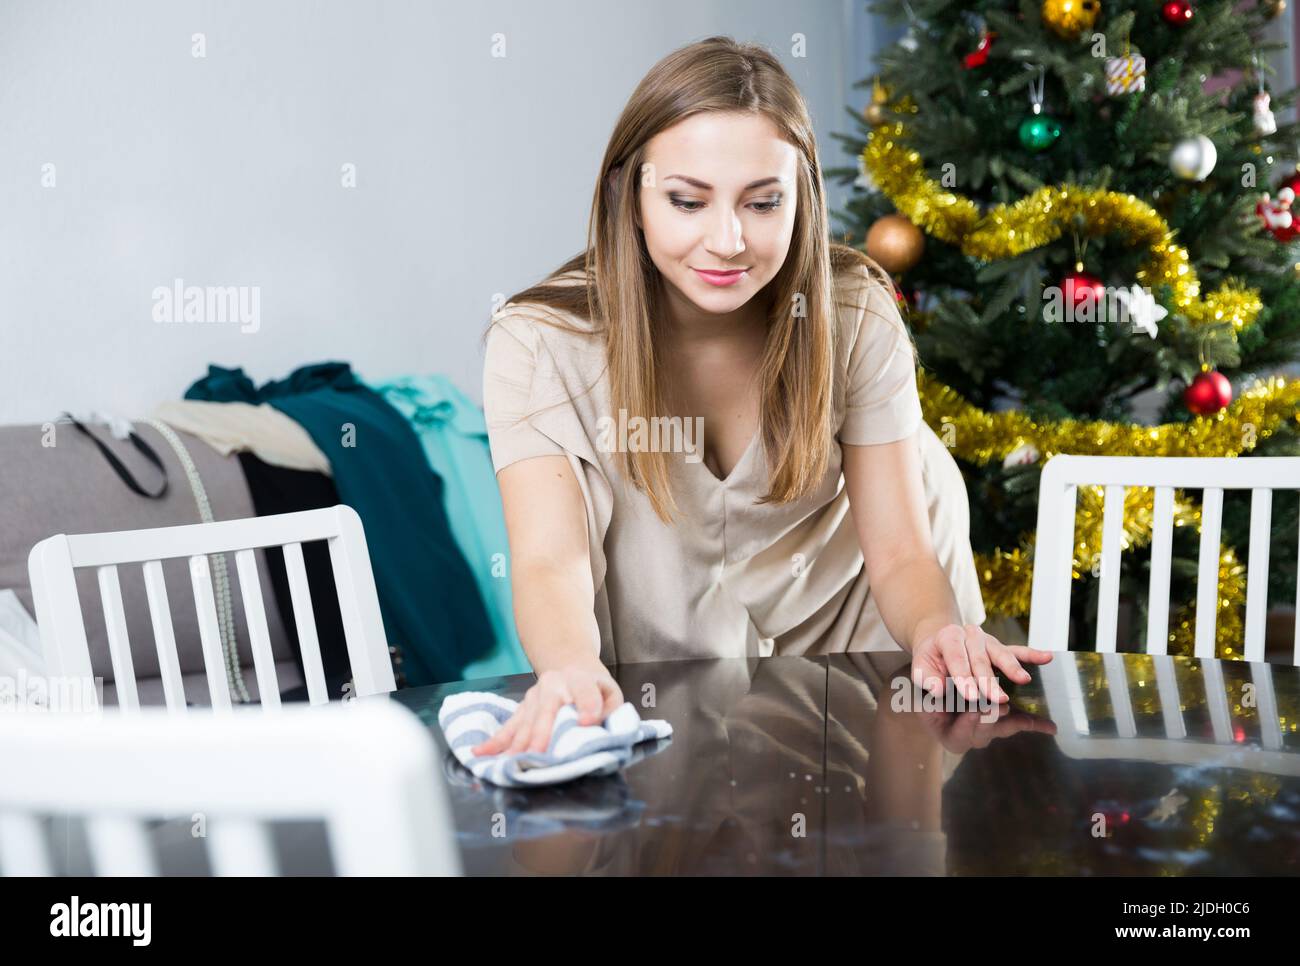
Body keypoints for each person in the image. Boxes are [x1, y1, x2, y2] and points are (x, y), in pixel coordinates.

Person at [474, 36, 1051, 757]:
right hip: (671, 686)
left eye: (763, 203)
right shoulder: (538, 342)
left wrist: (937, 628)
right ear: (630, 196)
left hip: (860, 653)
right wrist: (568, 670)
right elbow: (548, 561)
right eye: (687, 200)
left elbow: (903, 550)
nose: (726, 241)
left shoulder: (854, 314)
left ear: (801, 199)